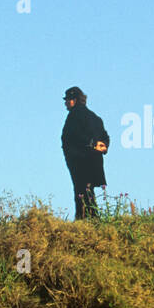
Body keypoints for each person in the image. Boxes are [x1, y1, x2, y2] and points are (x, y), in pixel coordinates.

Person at [61, 86, 110, 219]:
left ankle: (83, 219)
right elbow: (105, 137)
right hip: (94, 160)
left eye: (68, 100)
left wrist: (92, 144)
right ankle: (92, 218)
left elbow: (71, 136)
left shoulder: (73, 116)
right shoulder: (95, 117)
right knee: (88, 190)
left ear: (74, 100)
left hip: (79, 160)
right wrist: (103, 146)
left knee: (80, 190)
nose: (65, 103)